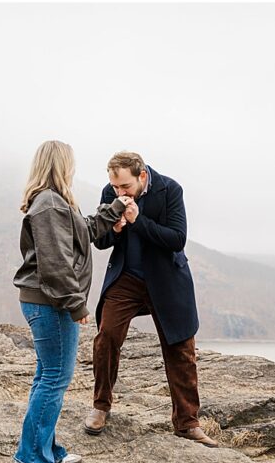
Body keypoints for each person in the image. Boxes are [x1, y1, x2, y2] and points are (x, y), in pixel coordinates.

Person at [12, 140, 130, 463]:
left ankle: (44, 446)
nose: (74, 168)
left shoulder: (56, 201)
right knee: (54, 379)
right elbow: (55, 261)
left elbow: (87, 232)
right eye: (71, 163)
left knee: (46, 375)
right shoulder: (49, 203)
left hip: (47, 300)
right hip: (49, 301)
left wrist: (115, 208)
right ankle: (30, 457)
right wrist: (76, 303)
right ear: (61, 165)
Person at [85, 152, 218, 446]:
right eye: (115, 187)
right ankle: (101, 406)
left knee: (181, 347)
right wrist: (115, 229)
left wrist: (137, 220)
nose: (119, 193)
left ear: (142, 176)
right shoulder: (110, 192)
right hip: (127, 279)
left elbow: (176, 239)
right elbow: (100, 240)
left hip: (167, 279)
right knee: (106, 336)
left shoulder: (170, 189)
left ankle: (187, 423)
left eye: (125, 187)